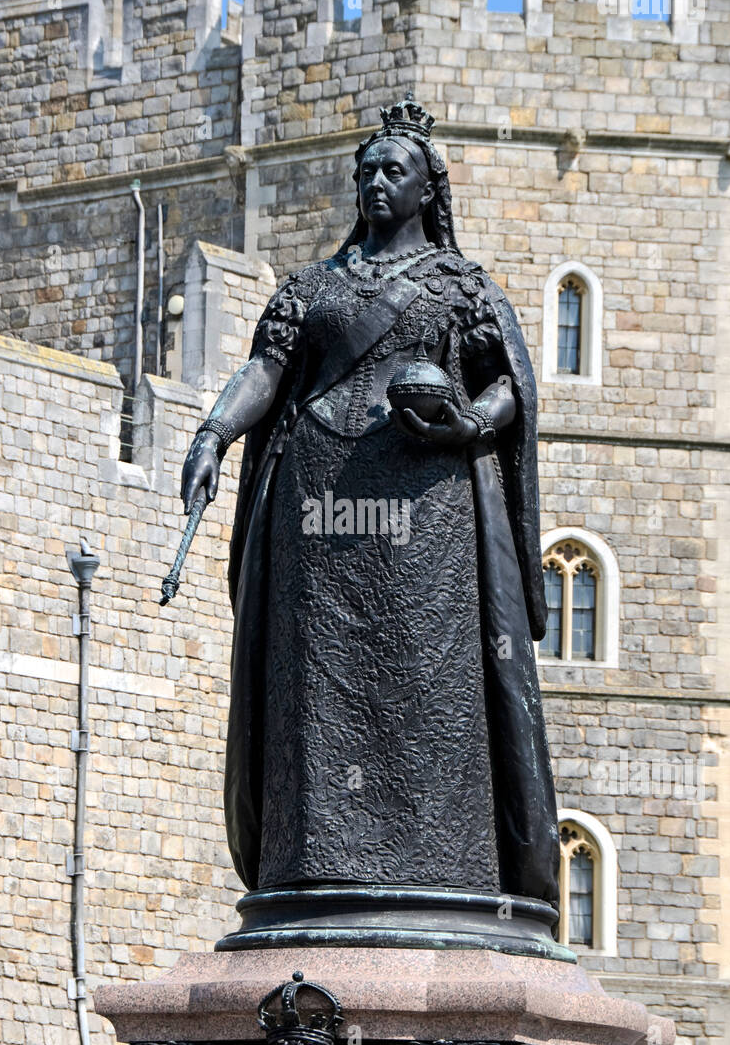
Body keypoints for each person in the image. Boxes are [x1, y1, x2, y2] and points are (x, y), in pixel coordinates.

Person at [181, 97, 559, 908]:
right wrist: (213, 434)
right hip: (312, 501)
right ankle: (311, 861)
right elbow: (266, 372)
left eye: (393, 170)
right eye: (365, 172)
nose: (375, 183)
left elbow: (509, 389)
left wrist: (466, 421)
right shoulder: (311, 288)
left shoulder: (460, 286)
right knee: (312, 683)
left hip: (428, 508)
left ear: (428, 188)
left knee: (427, 679)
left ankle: (439, 871)